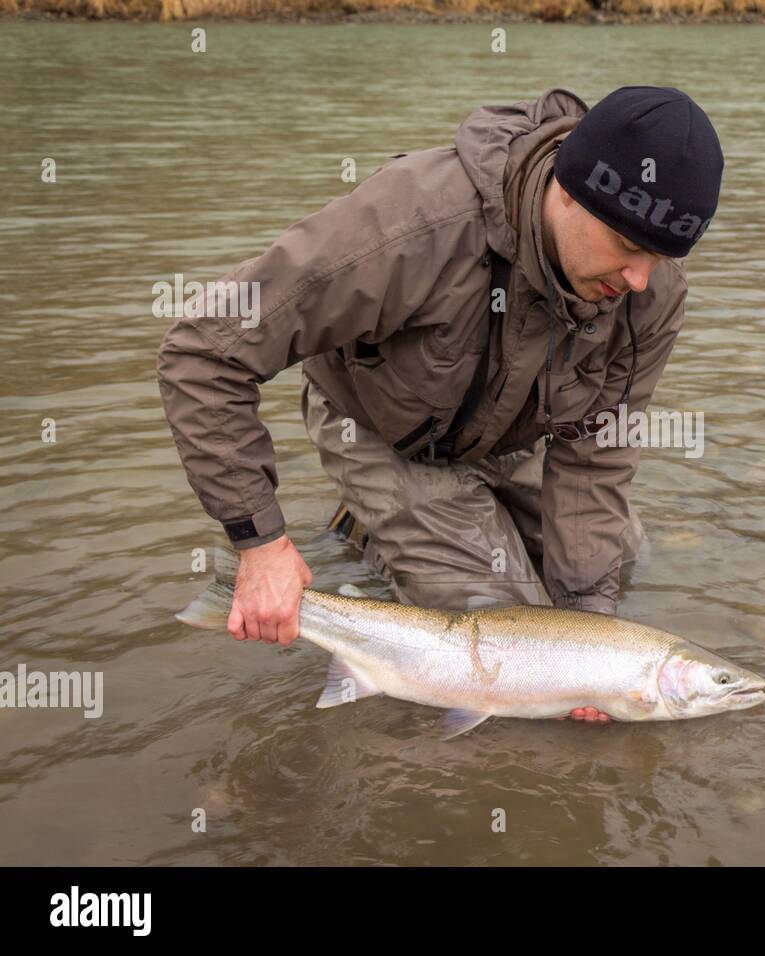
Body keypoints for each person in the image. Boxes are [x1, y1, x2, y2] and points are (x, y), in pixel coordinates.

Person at [156, 87, 724, 724]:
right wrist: (259, 545)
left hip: (510, 431)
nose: (641, 279)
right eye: (628, 246)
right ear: (567, 190)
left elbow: (594, 462)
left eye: (663, 255)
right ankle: (374, 526)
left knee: (614, 565)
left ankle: (379, 534)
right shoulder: (415, 222)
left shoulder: (650, 294)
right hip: (379, 427)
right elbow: (204, 350)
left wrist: (589, 643)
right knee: (492, 624)